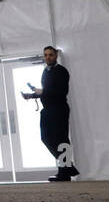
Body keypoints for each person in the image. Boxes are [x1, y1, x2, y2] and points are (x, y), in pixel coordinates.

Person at [27, 46, 79, 181]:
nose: (48, 57)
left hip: (59, 109)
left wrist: (42, 92)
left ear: (56, 56)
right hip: (47, 110)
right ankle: (68, 168)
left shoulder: (61, 71)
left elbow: (61, 92)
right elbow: (47, 91)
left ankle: (64, 172)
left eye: (50, 54)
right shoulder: (45, 72)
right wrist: (31, 95)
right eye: (45, 55)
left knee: (61, 140)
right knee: (46, 138)